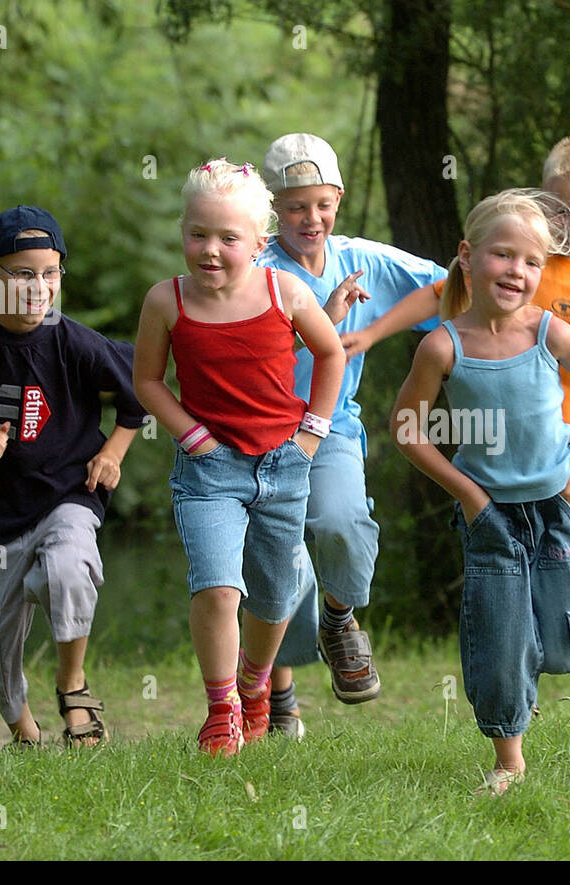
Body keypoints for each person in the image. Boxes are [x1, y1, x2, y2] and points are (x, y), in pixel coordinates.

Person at [390, 189, 570, 795]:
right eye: (503, 256)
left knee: (557, 625)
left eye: (531, 262)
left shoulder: (547, 330)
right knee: (499, 633)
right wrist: (468, 495)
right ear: (468, 257)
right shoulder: (444, 345)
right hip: (489, 514)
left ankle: (526, 682)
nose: (517, 272)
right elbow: (407, 430)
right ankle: (508, 756)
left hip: (558, 507)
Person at [351, 136, 570, 561]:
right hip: (500, 466)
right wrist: (370, 334)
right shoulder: (525, 262)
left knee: (561, 589)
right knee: (500, 580)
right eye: (561, 209)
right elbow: (437, 294)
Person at [133, 159, 344, 756]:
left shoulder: (285, 291)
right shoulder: (166, 301)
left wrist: (311, 433)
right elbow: (147, 381)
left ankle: (256, 686)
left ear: (259, 242)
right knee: (219, 588)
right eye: (198, 234)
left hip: (283, 463)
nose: (211, 250)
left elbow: (331, 355)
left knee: (277, 594)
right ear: (182, 232)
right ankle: (221, 708)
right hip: (208, 471)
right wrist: (191, 436)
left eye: (229, 238)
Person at [0, 205, 144, 747]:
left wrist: (113, 452)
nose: (39, 286)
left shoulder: (75, 342)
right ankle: (25, 732)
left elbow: (141, 394)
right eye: (23, 273)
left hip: (67, 495)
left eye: (50, 273)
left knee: (69, 566)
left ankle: (72, 686)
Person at [256, 133, 447, 736]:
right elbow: (235, 353)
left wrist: (381, 328)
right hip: (258, 432)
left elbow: (449, 289)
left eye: (321, 204)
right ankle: (275, 692)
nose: (310, 219)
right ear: (270, 207)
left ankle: (338, 620)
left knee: (341, 526)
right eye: (293, 206)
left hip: (330, 425)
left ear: (338, 197)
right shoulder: (253, 267)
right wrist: (326, 321)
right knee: (273, 556)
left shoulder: (364, 259)